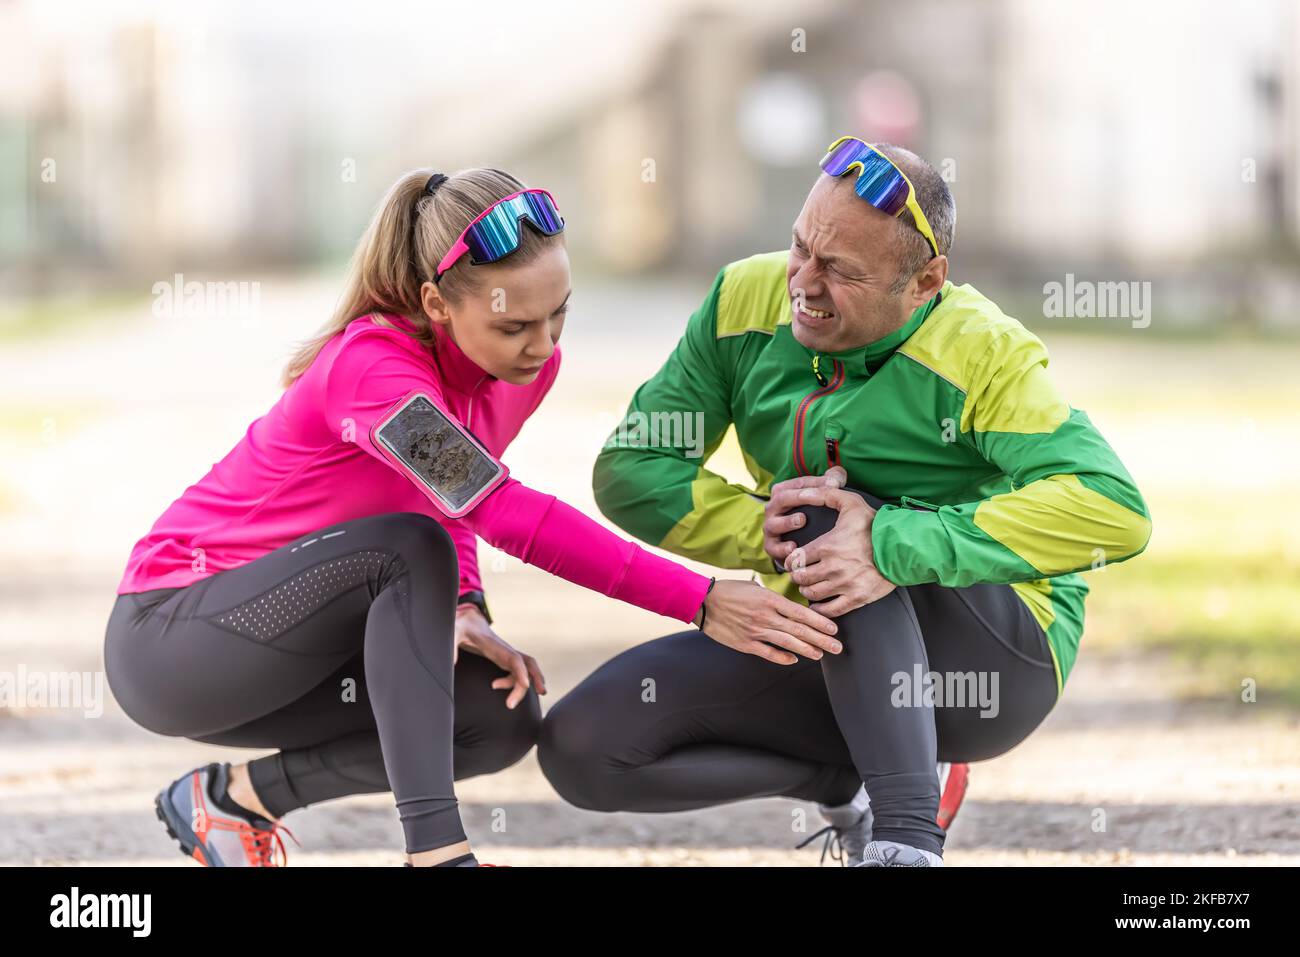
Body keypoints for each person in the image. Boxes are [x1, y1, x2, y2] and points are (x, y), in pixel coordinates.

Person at [103, 167, 838, 867]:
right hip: (173, 639)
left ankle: (232, 800)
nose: (543, 346)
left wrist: (465, 604)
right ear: (435, 306)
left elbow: (451, 492)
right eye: (516, 323)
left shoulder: (520, 369)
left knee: (494, 715)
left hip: (298, 651)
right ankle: (439, 852)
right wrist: (700, 600)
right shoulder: (373, 368)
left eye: (559, 315)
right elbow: (496, 509)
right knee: (406, 549)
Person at [538, 137, 1153, 866]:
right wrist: (759, 529)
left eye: (840, 270)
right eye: (801, 247)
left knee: (838, 521)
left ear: (925, 281)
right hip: (825, 633)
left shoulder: (982, 350)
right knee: (585, 745)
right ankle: (849, 780)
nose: (803, 281)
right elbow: (631, 466)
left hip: (996, 660)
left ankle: (905, 840)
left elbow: (1113, 506)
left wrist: (893, 540)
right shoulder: (743, 301)